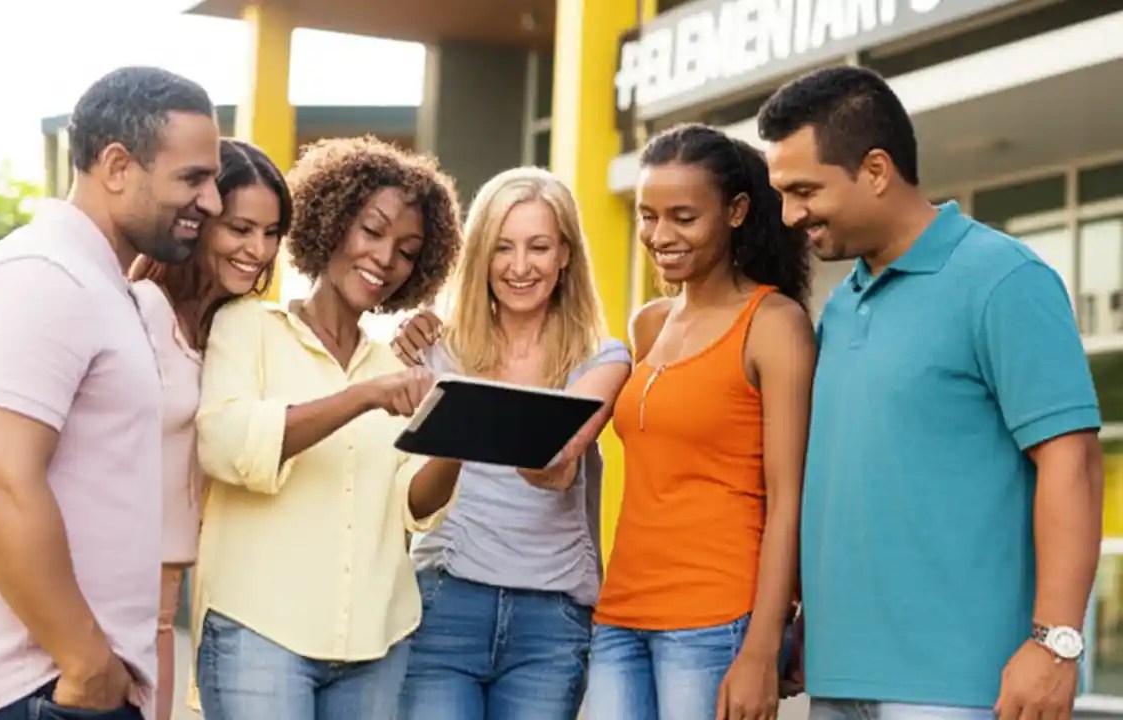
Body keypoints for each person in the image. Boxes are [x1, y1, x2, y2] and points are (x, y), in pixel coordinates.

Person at [757, 66, 1104, 720]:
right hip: (839, 675)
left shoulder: (1003, 279)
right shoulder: (841, 304)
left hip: (963, 683)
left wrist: (1055, 643)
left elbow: (1074, 463)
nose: (790, 214)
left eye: (804, 190)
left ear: (877, 170)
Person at [0, 66, 221, 720]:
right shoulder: (41, 278)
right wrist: (86, 666)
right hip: (36, 694)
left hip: (64, 691)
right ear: (116, 166)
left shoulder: (101, 288)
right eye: (193, 179)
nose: (214, 202)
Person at [192, 136, 465, 720]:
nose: (386, 259)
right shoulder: (246, 327)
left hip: (377, 640)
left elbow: (412, 505)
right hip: (259, 632)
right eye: (372, 230)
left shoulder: (396, 369)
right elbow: (228, 444)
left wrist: (460, 441)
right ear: (332, 221)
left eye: (408, 250)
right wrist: (360, 398)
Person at [584, 122, 815, 720]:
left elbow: (789, 497)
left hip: (717, 619)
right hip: (620, 613)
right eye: (648, 215)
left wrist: (764, 647)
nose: (660, 235)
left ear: (736, 211)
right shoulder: (648, 325)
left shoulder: (775, 324)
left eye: (684, 217)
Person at [389, 167, 632, 720]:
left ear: (566, 253)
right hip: (444, 605)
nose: (520, 267)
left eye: (539, 247)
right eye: (502, 248)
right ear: (480, 257)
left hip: (549, 625)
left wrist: (491, 423)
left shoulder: (602, 357)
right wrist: (407, 339)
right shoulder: (435, 351)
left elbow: (558, 459)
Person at [126, 137, 291, 720]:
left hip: (170, 598)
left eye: (271, 234)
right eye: (241, 229)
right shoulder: (141, 308)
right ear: (201, 222)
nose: (259, 250)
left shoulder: (235, 330)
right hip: (114, 584)